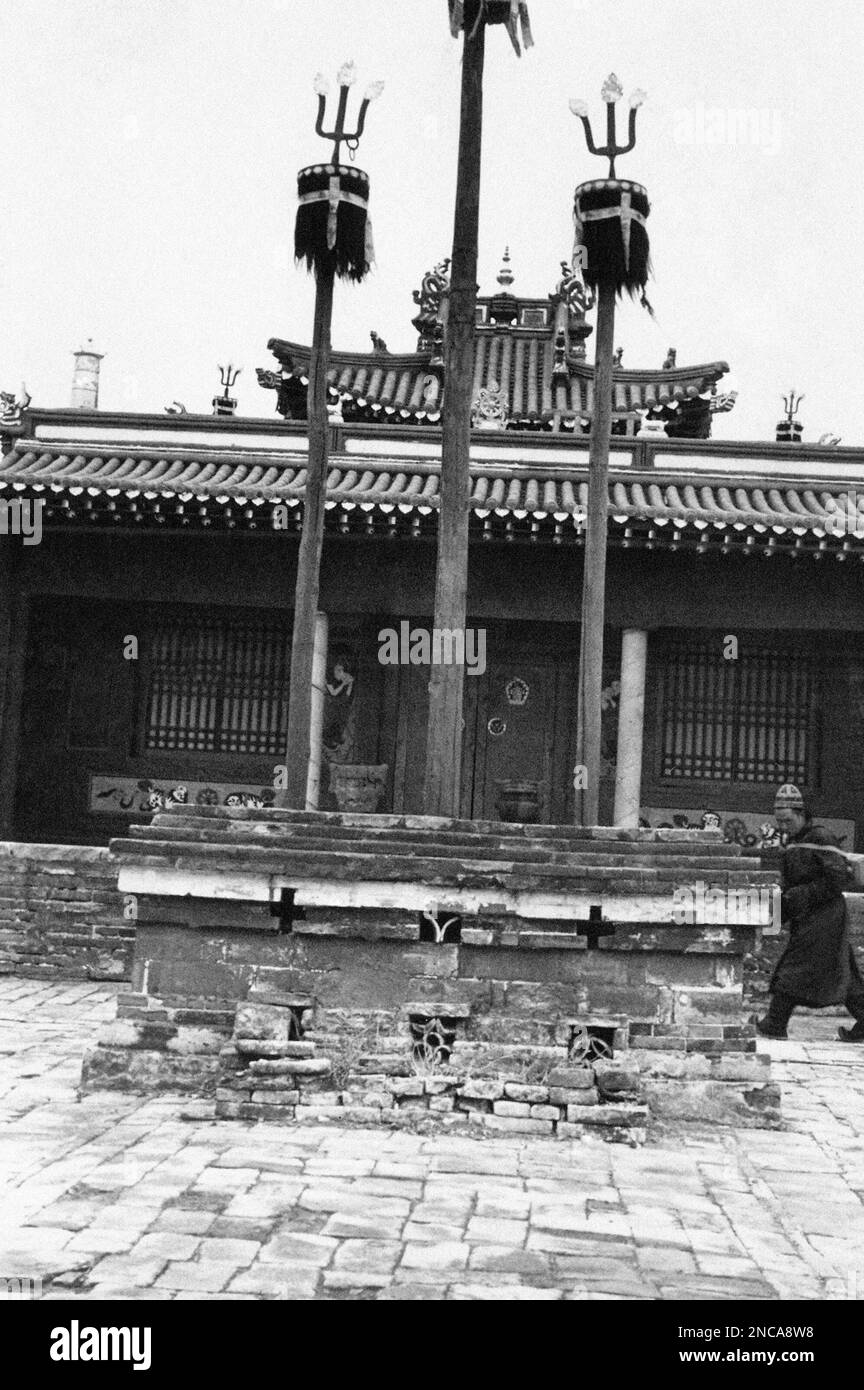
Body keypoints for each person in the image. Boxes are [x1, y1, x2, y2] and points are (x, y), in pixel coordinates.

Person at [756, 784, 864, 1042]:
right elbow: (791, 882)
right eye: (779, 821)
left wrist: (799, 897)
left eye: (787, 820)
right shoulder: (795, 843)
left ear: (801, 814)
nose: (783, 826)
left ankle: (775, 1022)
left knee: (795, 967)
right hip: (809, 916)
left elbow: (836, 879)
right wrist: (779, 911)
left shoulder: (821, 837)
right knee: (843, 972)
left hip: (825, 915)